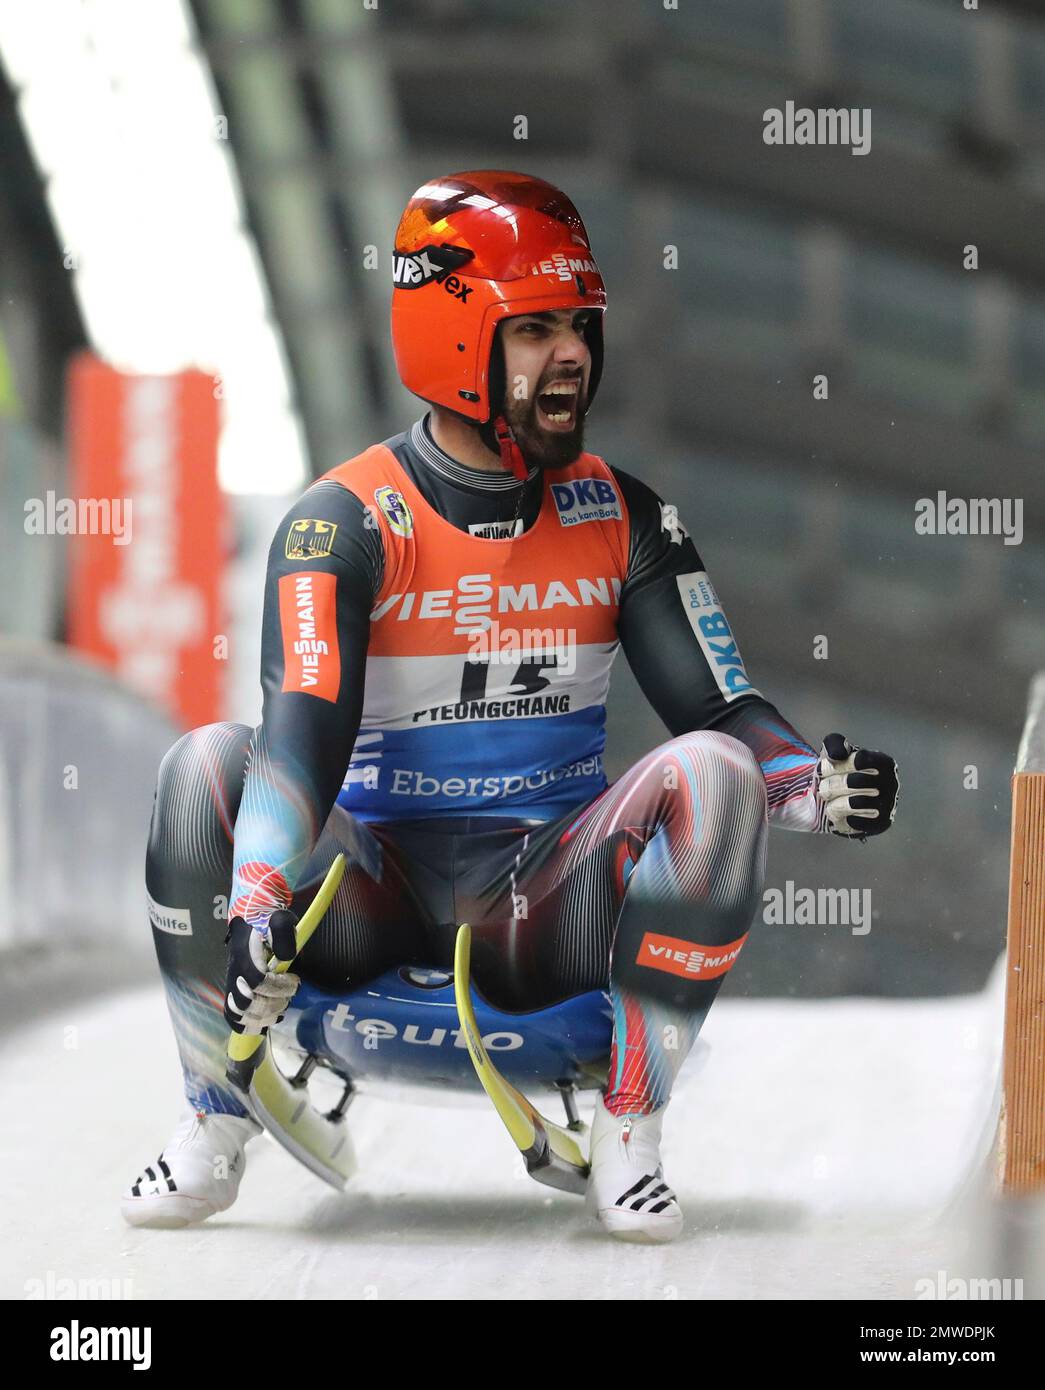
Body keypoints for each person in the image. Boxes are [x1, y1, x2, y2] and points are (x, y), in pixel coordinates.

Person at [123, 171, 899, 1242]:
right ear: (454, 340)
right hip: (371, 894)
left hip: (540, 904)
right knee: (202, 763)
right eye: (534, 329)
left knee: (715, 778)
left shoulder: (627, 515)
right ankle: (213, 1115)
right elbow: (298, 741)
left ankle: (632, 1128)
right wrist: (258, 898)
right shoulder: (337, 525)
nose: (572, 355)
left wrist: (812, 787)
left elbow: (721, 713)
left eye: (579, 325)